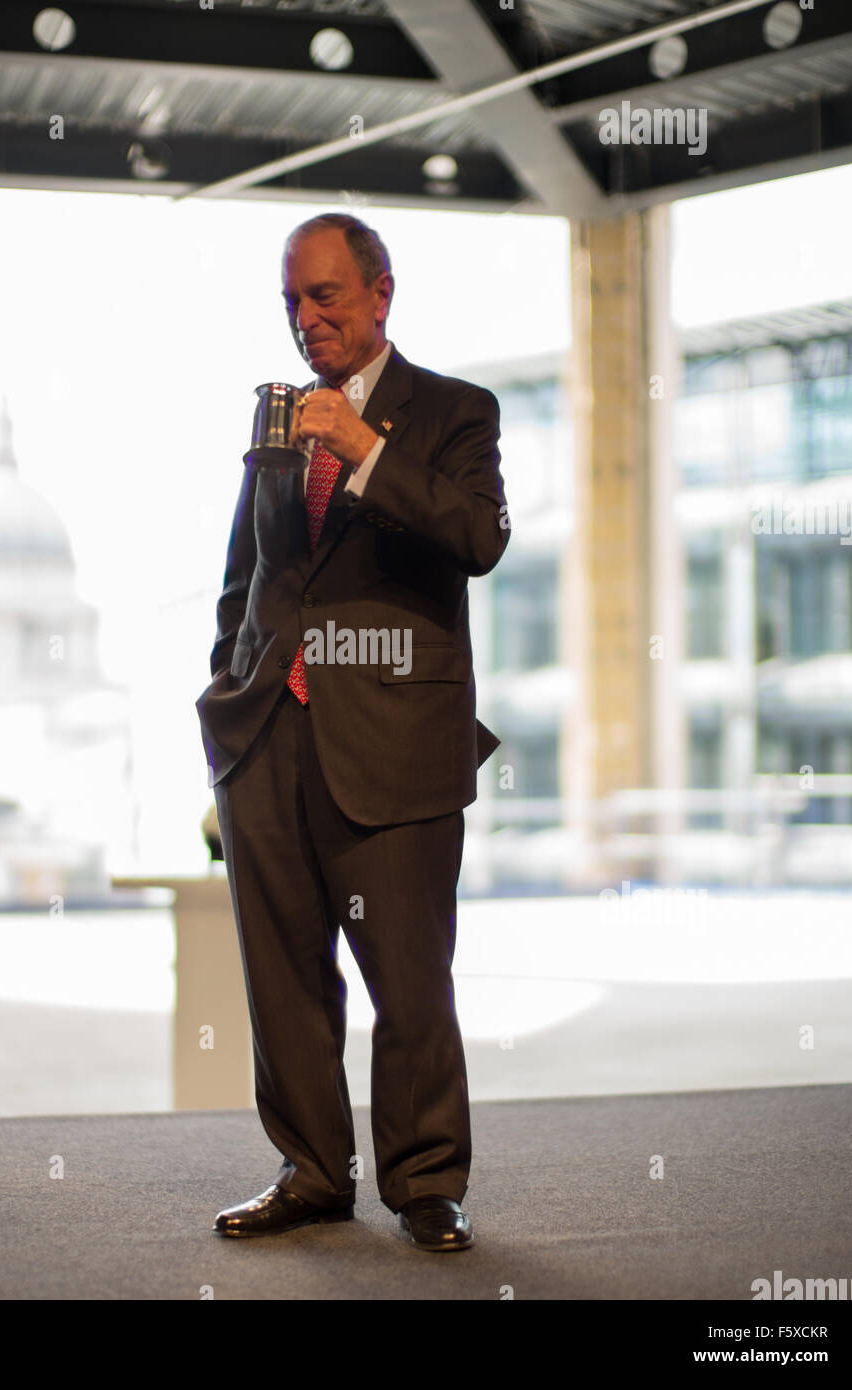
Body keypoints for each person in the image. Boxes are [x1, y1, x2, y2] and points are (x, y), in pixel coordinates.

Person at [195, 212, 509, 1252]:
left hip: (391, 743)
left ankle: (425, 1182)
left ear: (380, 293)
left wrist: (364, 448)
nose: (304, 318)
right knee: (281, 973)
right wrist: (225, 712)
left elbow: (476, 537)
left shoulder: (453, 411)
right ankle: (312, 1170)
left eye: (323, 296)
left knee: (408, 975)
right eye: (290, 300)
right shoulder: (279, 419)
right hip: (267, 742)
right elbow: (246, 580)